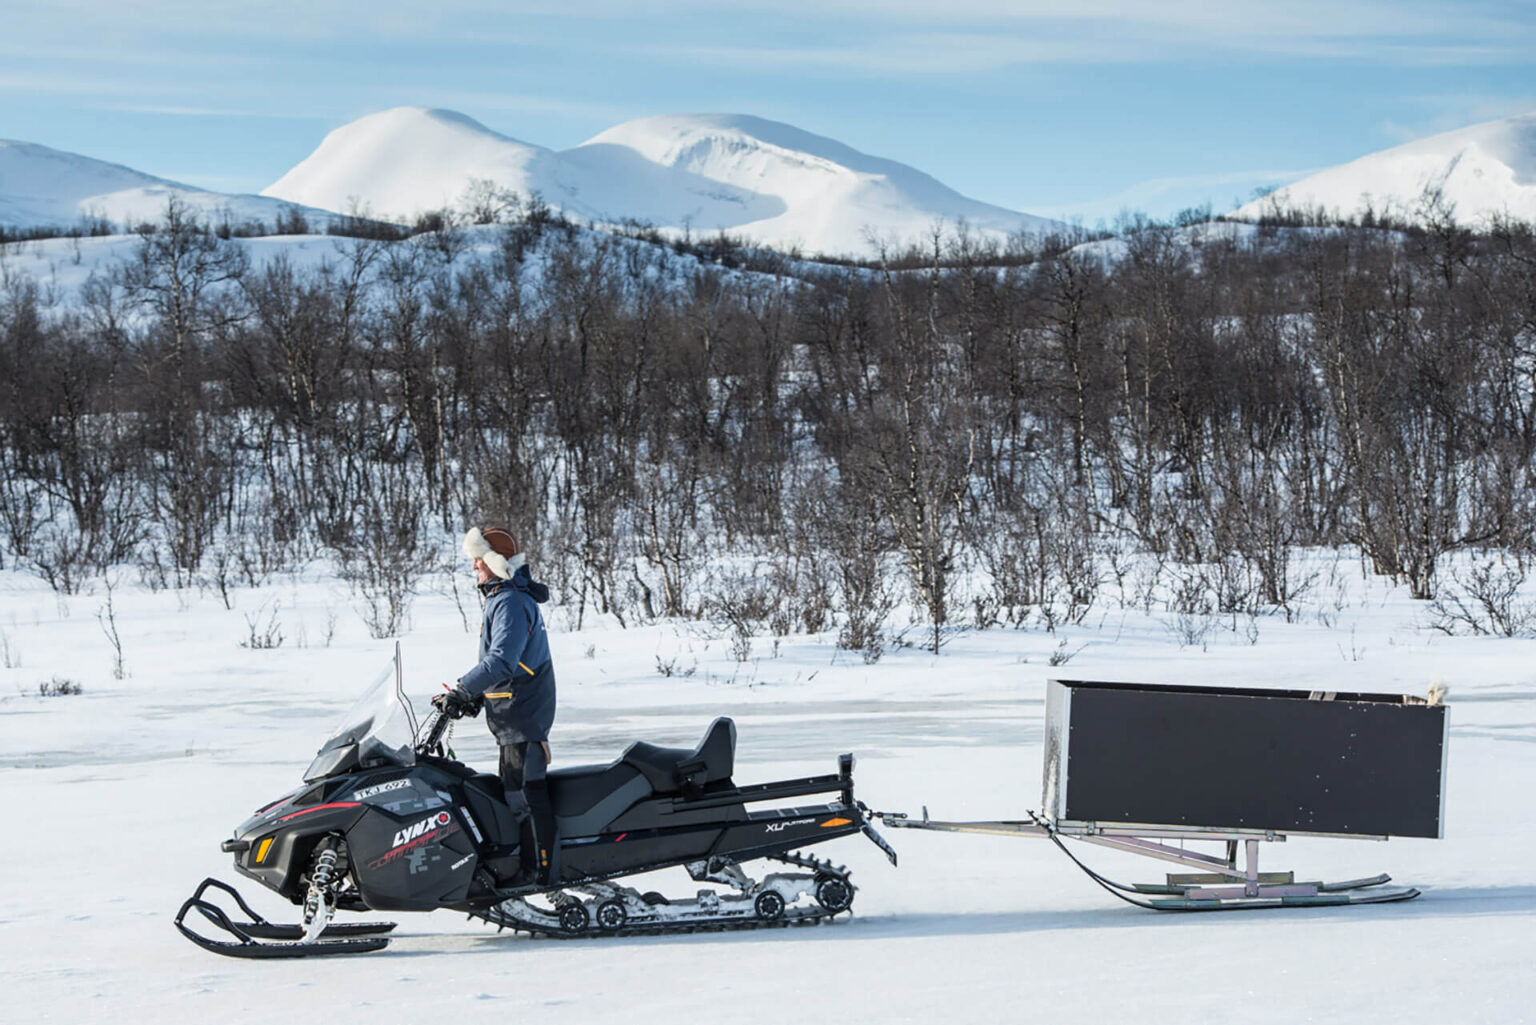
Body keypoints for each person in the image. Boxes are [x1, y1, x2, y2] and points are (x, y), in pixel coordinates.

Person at [432, 526, 557, 884]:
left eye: (478, 560)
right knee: (514, 793)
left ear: (494, 562)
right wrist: (474, 697)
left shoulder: (511, 602)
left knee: (524, 798)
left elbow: (502, 660)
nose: (474, 568)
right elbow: (507, 665)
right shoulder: (507, 598)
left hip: (523, 717)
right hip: (512, 715)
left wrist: (462, 690)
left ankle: (539, 874)